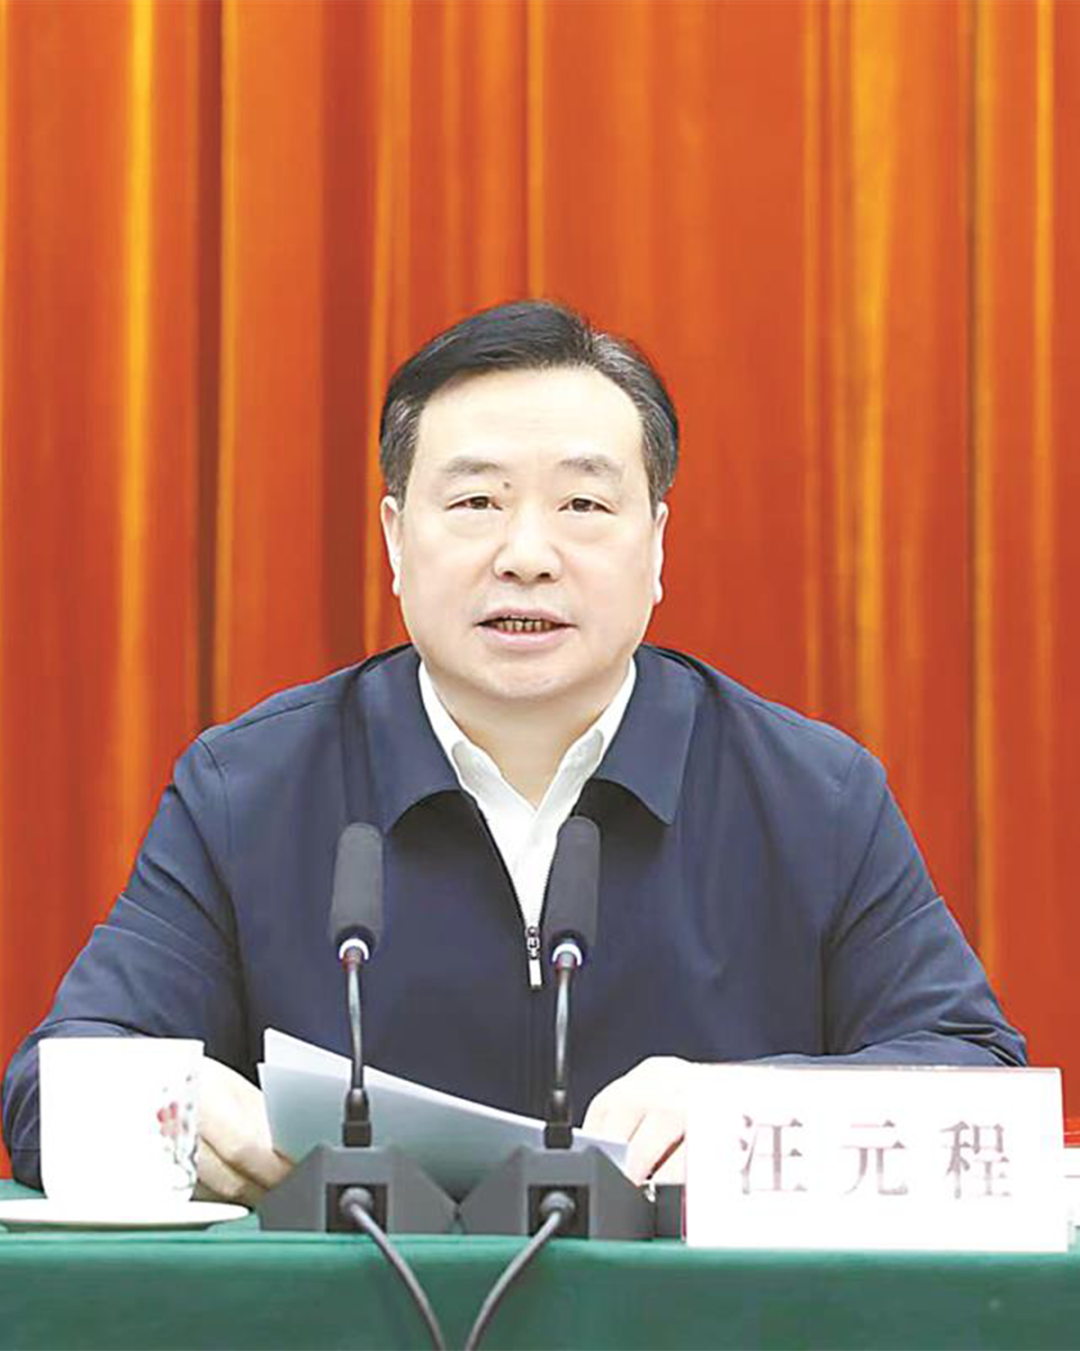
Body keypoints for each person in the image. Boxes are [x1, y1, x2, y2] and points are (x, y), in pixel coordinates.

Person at [2, 300, 1025, 1203]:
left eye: (583, 505)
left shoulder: (811, 796)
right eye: (476, 503)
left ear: (657, 543)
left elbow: (977, 1079)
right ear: (395, 540)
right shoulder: (251, 790)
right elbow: (53, 1082)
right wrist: (173, 1106)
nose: (527, 555)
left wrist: (740, 1110)